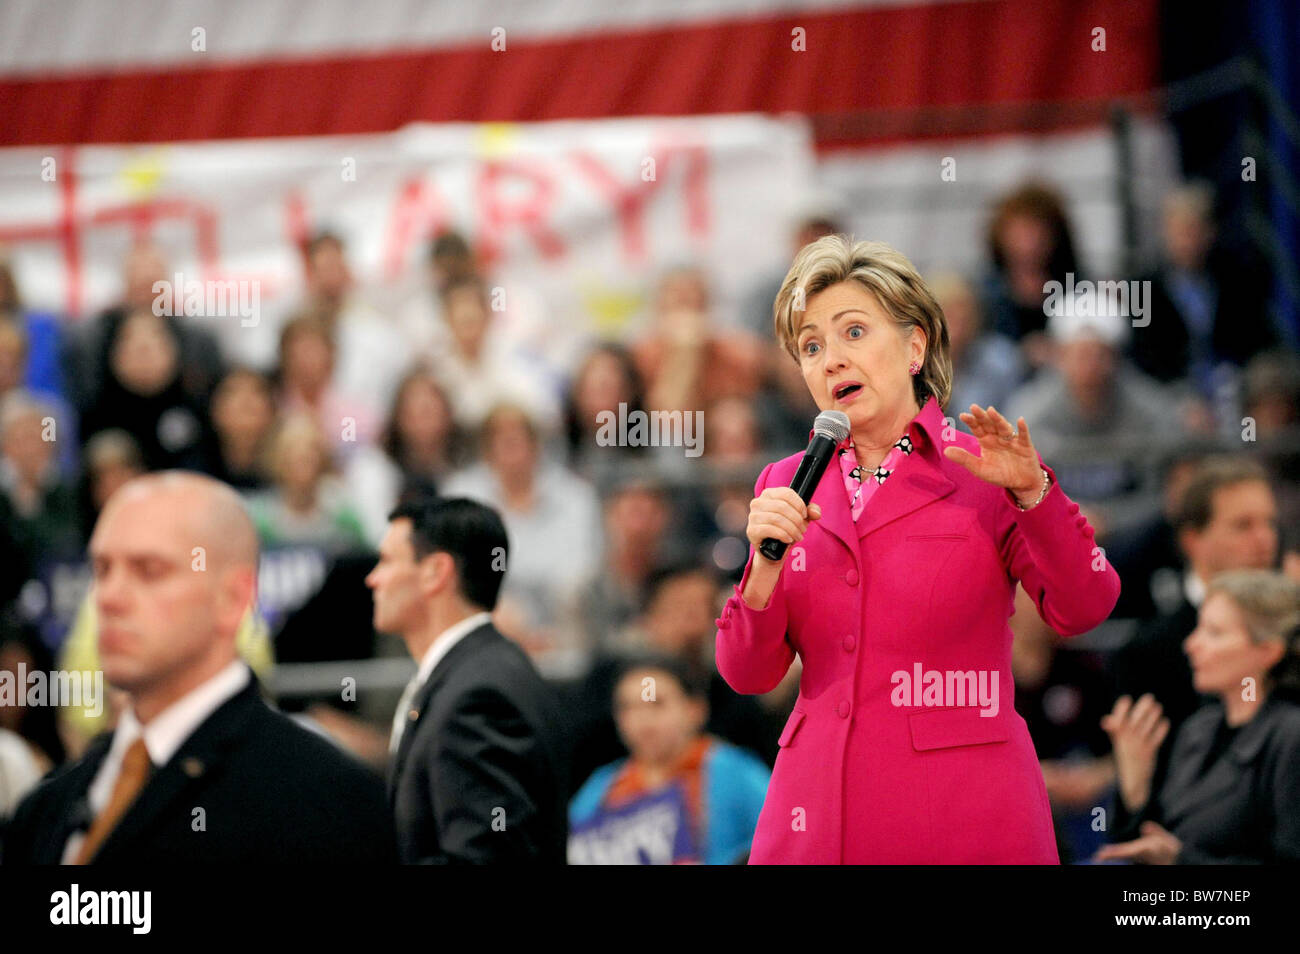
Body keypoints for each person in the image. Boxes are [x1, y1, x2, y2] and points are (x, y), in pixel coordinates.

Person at [716, 235, 1120, 864]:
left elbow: (1086, 603)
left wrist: (1035, 492)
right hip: (817, 811)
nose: (831, 360)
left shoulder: (984, 468)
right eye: (812, 346)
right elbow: (748, 673)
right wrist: (763, 568)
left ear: (914, 346)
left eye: (854, 332)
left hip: (962, 814)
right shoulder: (783, 481)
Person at [2, 471, 395, 864]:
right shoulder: (45, 810)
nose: (108, 597)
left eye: (149, 570)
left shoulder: (324, 802)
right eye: (102, 570)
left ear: (232, 598)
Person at [367, 496, 568, 864]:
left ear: (435, 572)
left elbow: (487, 858)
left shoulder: (478, 695)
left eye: (386, 561)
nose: (372, 578)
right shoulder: (479, 672)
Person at [1098, 570, 1300, 864]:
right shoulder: (1199, 729)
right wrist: (1135, 785)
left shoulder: (1290, 736)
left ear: (1268, 651)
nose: (1191, 644)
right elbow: (1149, 846)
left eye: (1214, 633)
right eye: (1198, 629)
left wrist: (1182, 860)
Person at [568, 655, 769, 865]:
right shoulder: (602, 788)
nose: (643, 721)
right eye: (628, 707)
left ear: (696, 709)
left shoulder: (735, 773)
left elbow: (783, 840)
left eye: (657, 704)